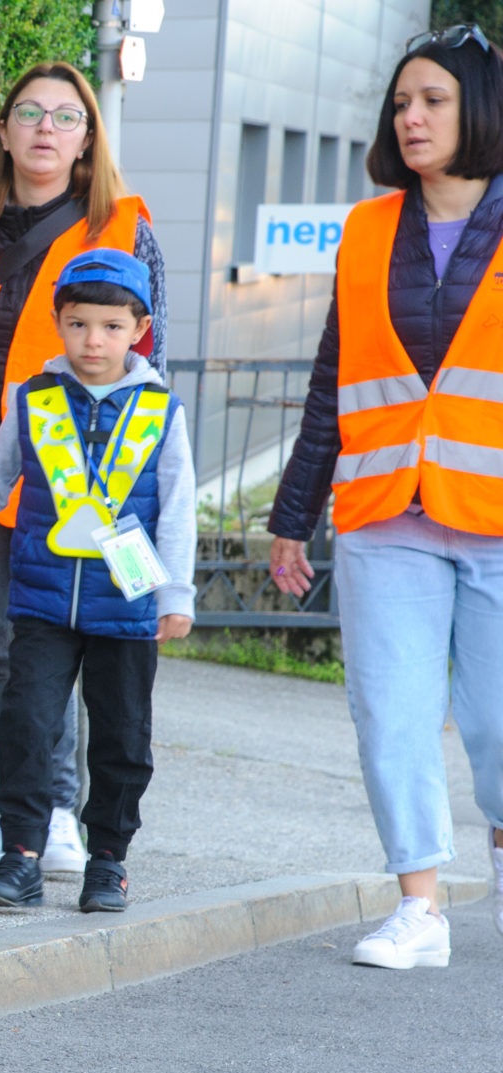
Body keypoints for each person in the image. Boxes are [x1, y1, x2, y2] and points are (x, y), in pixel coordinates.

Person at [0, 61, 167, 877]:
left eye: (66, 116)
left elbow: (156, 356)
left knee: (83, 645)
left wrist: (150, 486)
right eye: (29, 113)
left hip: (93, 484)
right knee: (9, 650)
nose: (46, 127)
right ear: (3, 132)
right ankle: (29, 811)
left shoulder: (123, 226)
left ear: (87, 141)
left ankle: (63, 816)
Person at [268, 26, 503, 970]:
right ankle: (420, 908)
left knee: (496, 722)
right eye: (401, 103)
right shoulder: (367, 229)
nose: (411, 117)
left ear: (479, 108)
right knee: (392, 712)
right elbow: (335, 378)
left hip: (494, 520)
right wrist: (292, 516)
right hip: (385, 517)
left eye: (433, 100)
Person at [0, 250, 194, 912]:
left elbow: (178, 509)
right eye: (79, 323)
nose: (94, 340)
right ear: (58, 321)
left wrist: (176, 596)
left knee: (122, 735)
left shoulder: (162, 411)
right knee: (26, 723)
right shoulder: (35, 401)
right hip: (41, 600)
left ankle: (108, 860)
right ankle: (21, 855)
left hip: (129, 604)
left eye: (112, 327)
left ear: (139, 329)